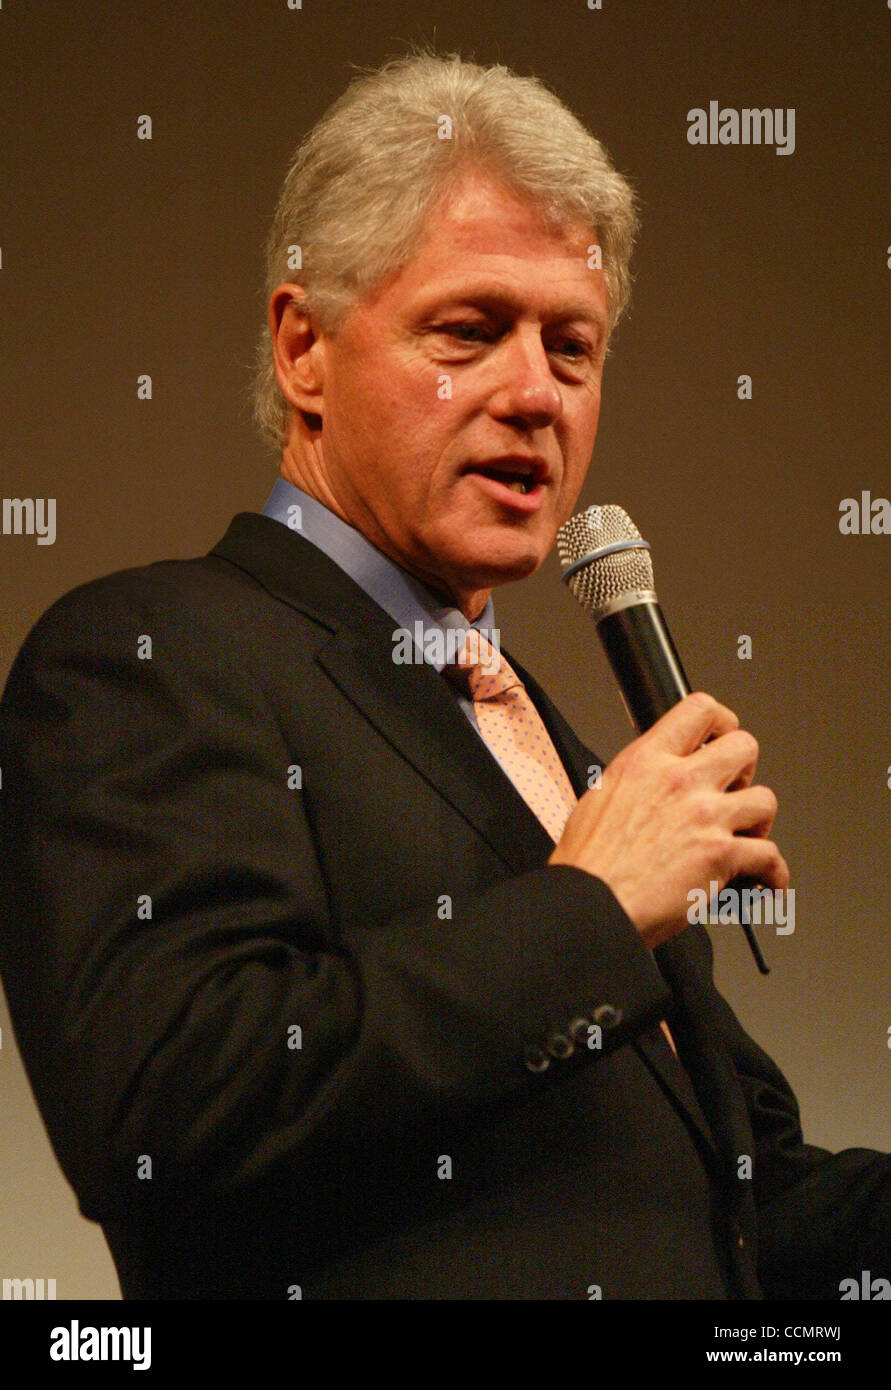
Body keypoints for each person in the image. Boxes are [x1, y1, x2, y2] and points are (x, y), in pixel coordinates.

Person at [0, 51, 888, 1301]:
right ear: (304, 349)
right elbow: (164, 1107)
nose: (536, 392)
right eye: (471, 332)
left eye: (573, 349)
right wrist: (592, 904)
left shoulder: (557, 750)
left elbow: (747, 1208)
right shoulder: (153, 656)